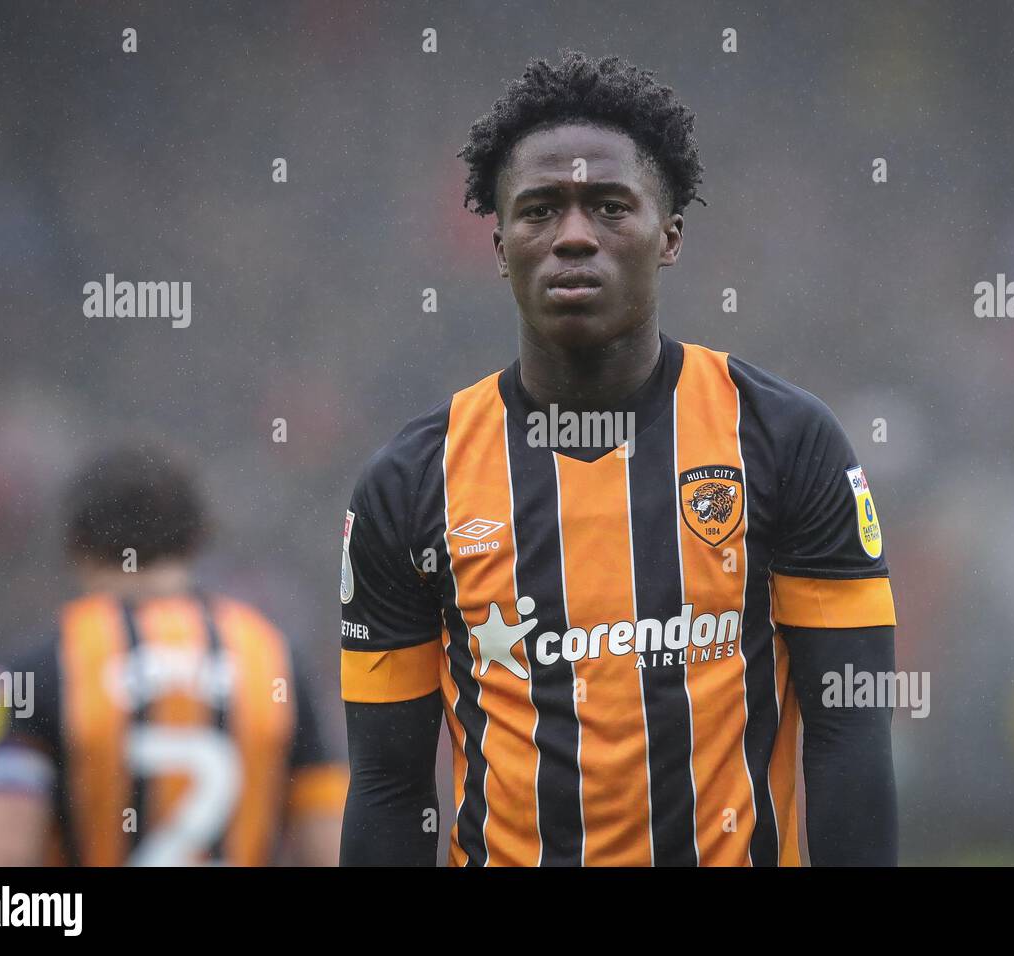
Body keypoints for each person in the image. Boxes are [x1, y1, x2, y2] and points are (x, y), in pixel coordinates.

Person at [340, 50, 897, 866]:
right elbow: (388, 787)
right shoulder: (411, 482)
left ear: (668, 237)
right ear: (498, 247)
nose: (572, 236)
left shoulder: (783, 440)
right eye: (539, 211)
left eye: (608, 207)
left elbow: (850, 732)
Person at [0, 445, 346, 866]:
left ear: (77, 544)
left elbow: (4, 852)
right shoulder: (274, 661)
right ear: (197, 538)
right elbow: (329, 850)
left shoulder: (39, 668)